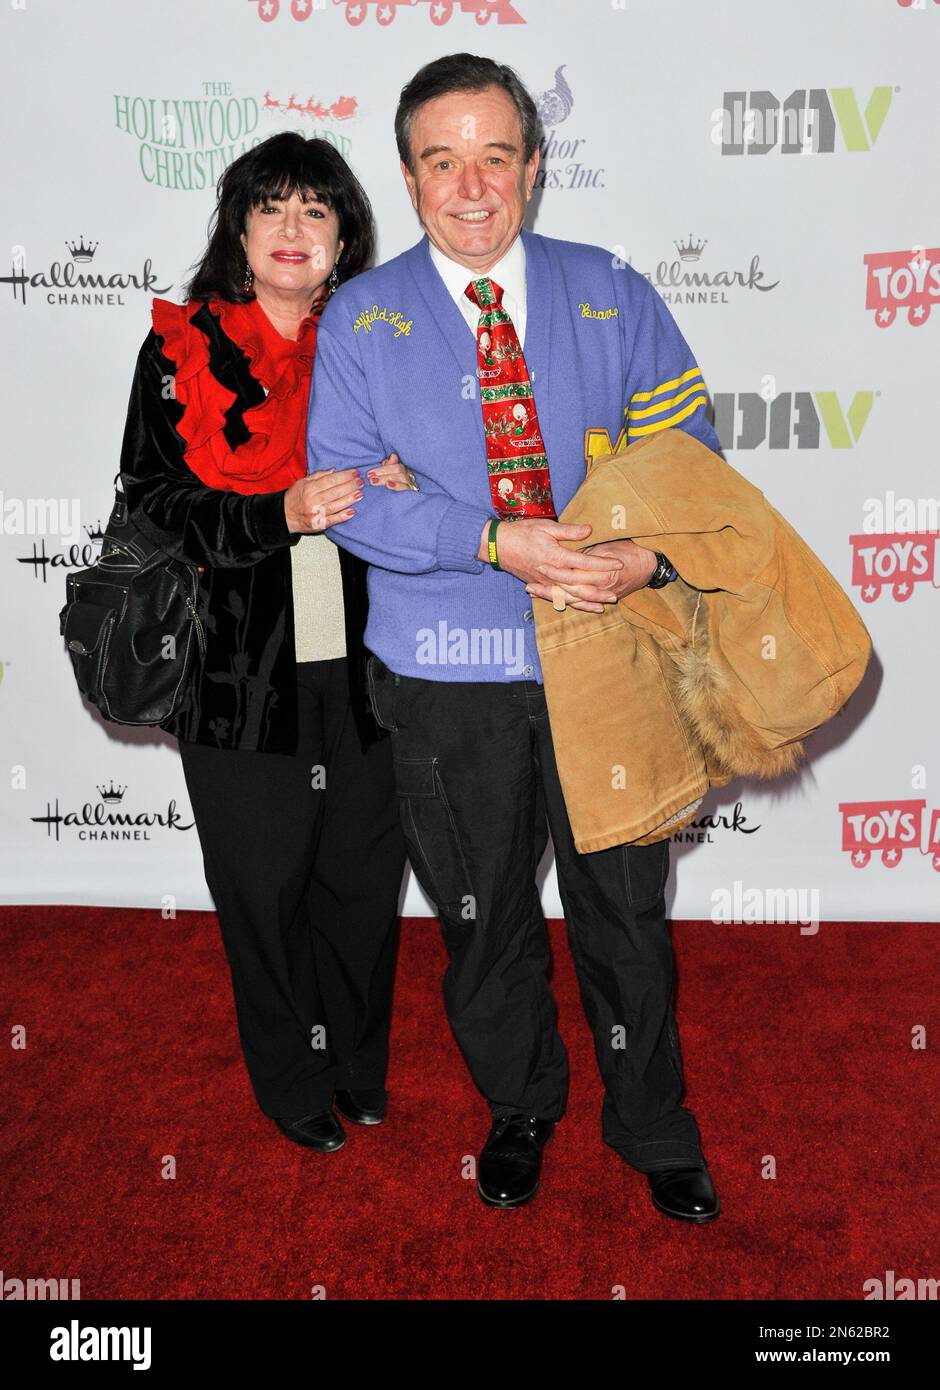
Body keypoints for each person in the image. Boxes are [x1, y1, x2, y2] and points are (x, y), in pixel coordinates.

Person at [306, 55, 722, 1219]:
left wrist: (647, 553)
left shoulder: (612, 290)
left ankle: (650, 1123)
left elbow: (684, 455)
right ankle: (523, 1102)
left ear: (535, 169)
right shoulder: (362, 316)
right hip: (446, 677)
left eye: (497, 155)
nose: (471, 184)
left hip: (612, 655)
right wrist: (492, 540)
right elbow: (344, 498)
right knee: (482, 914)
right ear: (408, 175)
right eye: (443, 159)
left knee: (624, 909)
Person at [119, 132, 411, 1154]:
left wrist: (413, 480)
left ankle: (358, 1064)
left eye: (316, 211)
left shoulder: (386, 340)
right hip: (237, 674)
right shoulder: (179, 348)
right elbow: (152, 502)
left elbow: (450, 468)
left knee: (364, 882)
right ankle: (291, 1074)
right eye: (272, 207)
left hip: (379, 667)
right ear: (239, 228)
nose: (293, 229)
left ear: (344, 237)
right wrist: (272, 515)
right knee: (263, 884)